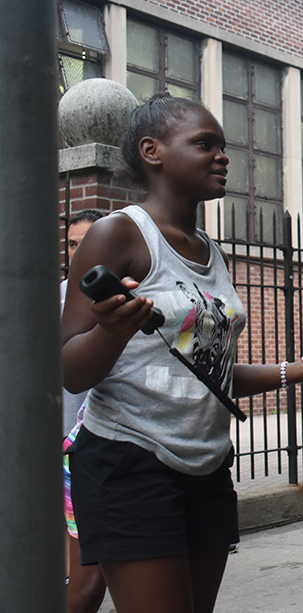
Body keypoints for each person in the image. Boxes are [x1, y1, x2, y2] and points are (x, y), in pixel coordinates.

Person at [61, 94, 303, 613]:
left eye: (223, 146)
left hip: (207, 465)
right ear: (153, 151)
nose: (222, 156)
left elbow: (209, 372)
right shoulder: (119, 233)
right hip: (129, 461)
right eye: (205, 144)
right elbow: (69, 368)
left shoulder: (208, 248)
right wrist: (112, 331)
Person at [61, 209, 109, 613]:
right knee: (84, 572)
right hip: (65, 446)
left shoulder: (123, 295)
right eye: (73, 245)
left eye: (87, 243)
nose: (79, 253)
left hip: (98, 445)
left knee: (88, 570)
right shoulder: (54, 297)